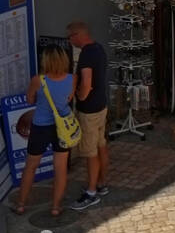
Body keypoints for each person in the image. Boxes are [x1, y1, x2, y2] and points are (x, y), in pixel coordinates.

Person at [14, 44, 74, 217]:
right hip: (62, 128)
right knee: (60, 168)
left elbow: (30, 99)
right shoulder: (72, 79)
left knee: (31, 166)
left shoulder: (38, 80)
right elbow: (69, 98)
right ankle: (56, 207)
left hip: (40, 126)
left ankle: (21, 204)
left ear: (45, 61)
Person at [67, 21, 110, 211]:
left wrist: (79, 96)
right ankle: (101, 184)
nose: (69, 41)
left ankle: (91, 193)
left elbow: (87, 81)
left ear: (77, 35)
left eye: (70, 37)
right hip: (102, 106)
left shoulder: (85, 54)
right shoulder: (99, 48)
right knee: (101, 146)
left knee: (90, 153)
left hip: (89, 111)